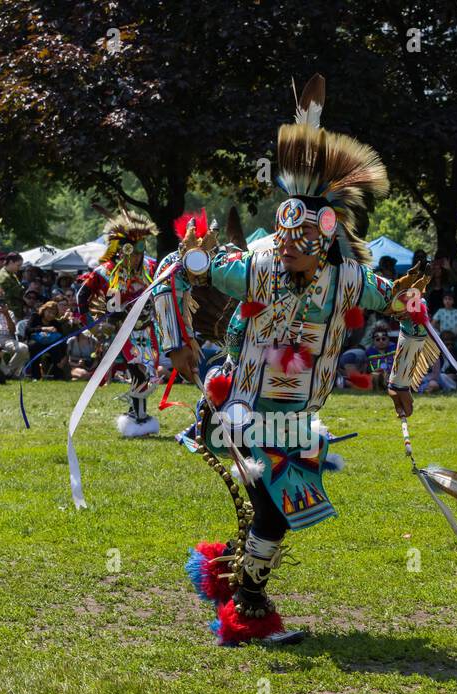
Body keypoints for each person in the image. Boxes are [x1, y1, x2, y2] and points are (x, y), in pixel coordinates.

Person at [148, 75, 436, 647]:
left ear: (324, 244)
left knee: (275, 515)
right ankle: (248, 611)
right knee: (276, 514)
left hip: (300, 418)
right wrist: (177, 341)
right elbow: (173, 271)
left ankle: (227, 575)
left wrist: (403, 379)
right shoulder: (254, 269)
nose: (289, 260)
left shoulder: (347, 280)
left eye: (301, 251)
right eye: (284, 249)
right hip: (247, 411)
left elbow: (411, 305)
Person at [74, 209, 163, 435]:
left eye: (140, 251)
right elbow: (81, 296)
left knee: (150, 374)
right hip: (121, 331)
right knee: (139, 372)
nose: (135, 257)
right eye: (132, 252)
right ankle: (139, 419)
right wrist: (91, 324)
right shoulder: (105, 272)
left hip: (147, 329)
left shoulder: (150, 268)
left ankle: (137, 415)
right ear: (122, 250)